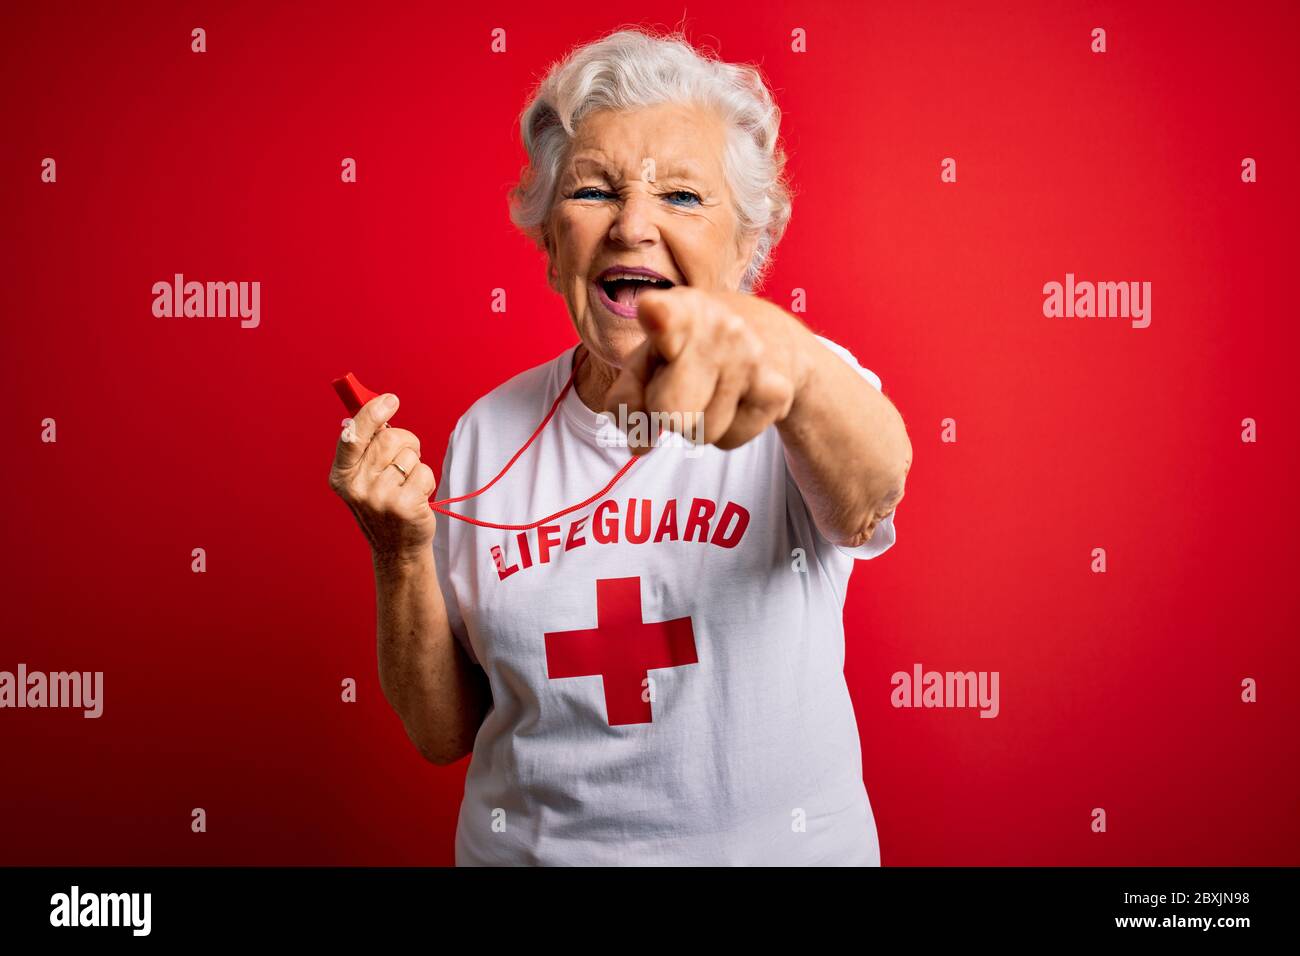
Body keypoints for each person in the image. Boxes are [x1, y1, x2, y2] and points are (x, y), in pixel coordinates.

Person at [328, 27, 912, 865]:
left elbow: (872, 494)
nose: (632, 225)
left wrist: (783, 357)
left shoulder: (797, 387)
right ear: (549, 241)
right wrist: (399, 553)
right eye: (594, 191)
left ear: (747, 246)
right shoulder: (485, 434)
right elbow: (442, 731)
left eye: (682, 197)